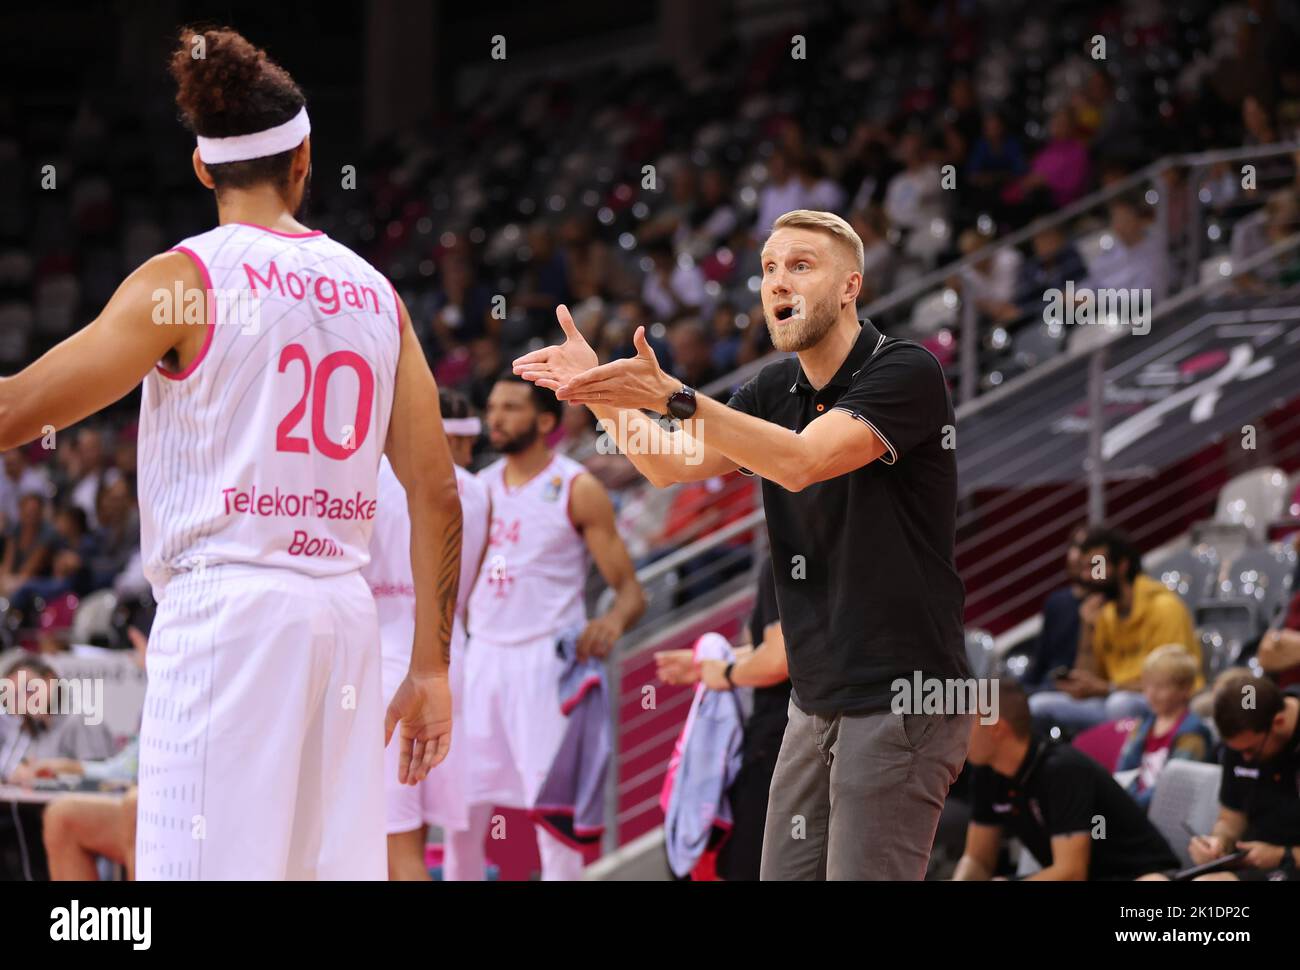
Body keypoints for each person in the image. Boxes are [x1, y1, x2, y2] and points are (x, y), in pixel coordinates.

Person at [0, 27, 462, 880]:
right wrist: (431, 667)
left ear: (204, 169)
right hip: (346, 621)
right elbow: (437, 494)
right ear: (305, 160)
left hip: (231, 615)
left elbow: (19, 410)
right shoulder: (376, 294)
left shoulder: (186, 280)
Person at [515, 208, 972, 880]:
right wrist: (600, 392)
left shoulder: (905, 372)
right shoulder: (771, 389)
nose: (777, 282)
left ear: (850, 286)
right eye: (767, 270)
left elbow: (801, 461)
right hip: (815, 700)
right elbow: (667, 462)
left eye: (800, 266)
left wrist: (676, 395)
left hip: (904, 695)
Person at [447, 376, 645, 881]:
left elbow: (630, 591)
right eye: (491, 407)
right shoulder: (476, 489)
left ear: (546, 422)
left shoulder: (578, 488)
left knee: (552, 820)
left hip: (546, 664)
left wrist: (610, 621)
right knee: (460, 814)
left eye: (511, 408)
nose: (496, 418)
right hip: (480, 658)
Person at [363, 388, 490, 881]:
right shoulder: (481, 492)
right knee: (422, 840)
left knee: (395, 850)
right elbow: (466, 591)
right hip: (453, 661)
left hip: (389, 669)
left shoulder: (371, 478)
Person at [955, 680, 1179, 881]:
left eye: (964, 723)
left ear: (997, 729)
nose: (956, 733)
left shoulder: (1062, 770)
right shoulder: (987, 773)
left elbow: (1071, 873)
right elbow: (978, 860)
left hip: (1141, 874)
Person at [655, 557, 789, 880]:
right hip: (791, 747)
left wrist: (726, 672)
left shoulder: (791, 553)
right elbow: (778, 649)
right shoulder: (827, 552)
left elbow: (780, 658)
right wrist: (705, 667)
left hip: (777, 754)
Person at [1029, 527, 1200, 733]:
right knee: (1038, 705)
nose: (1087, 576)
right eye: (1084, 568)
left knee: (1120, 704)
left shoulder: (1165, 608)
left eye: (1096, 566)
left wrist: (1108, 688)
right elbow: (1087, 681)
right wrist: (1087, 628)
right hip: (1110, 700)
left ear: (1122, 566)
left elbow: (1172, 682)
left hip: (1157, 702)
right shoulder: (1105, 614)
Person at [1160, 671, 1300, 881]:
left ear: (1278, 722)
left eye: (1251, 751)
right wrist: (1218, 843)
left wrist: (1282, 855)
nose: (1244, 758)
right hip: (1255, 860)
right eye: (1236, 751)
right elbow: (1231, 816)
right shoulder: (1244, 735)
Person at [1113, 645, 1213, 810]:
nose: (1151, 694)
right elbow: (1124, 770)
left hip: (1166, 813)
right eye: (1147, 686)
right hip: (1134, 809)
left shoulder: (1192, 733)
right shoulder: (1143, 724)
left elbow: (1174, 787)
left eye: (1160, 687)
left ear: (1186, 689)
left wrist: (1131, 807)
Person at [1021, 525, 1087, 691]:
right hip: (1047, 685)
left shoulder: (1109, 604)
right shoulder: (1056, 602)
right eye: (1075, 547)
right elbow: (1040, 661)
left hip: (1077, 688)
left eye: (1087, 549)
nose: (1078, 555)